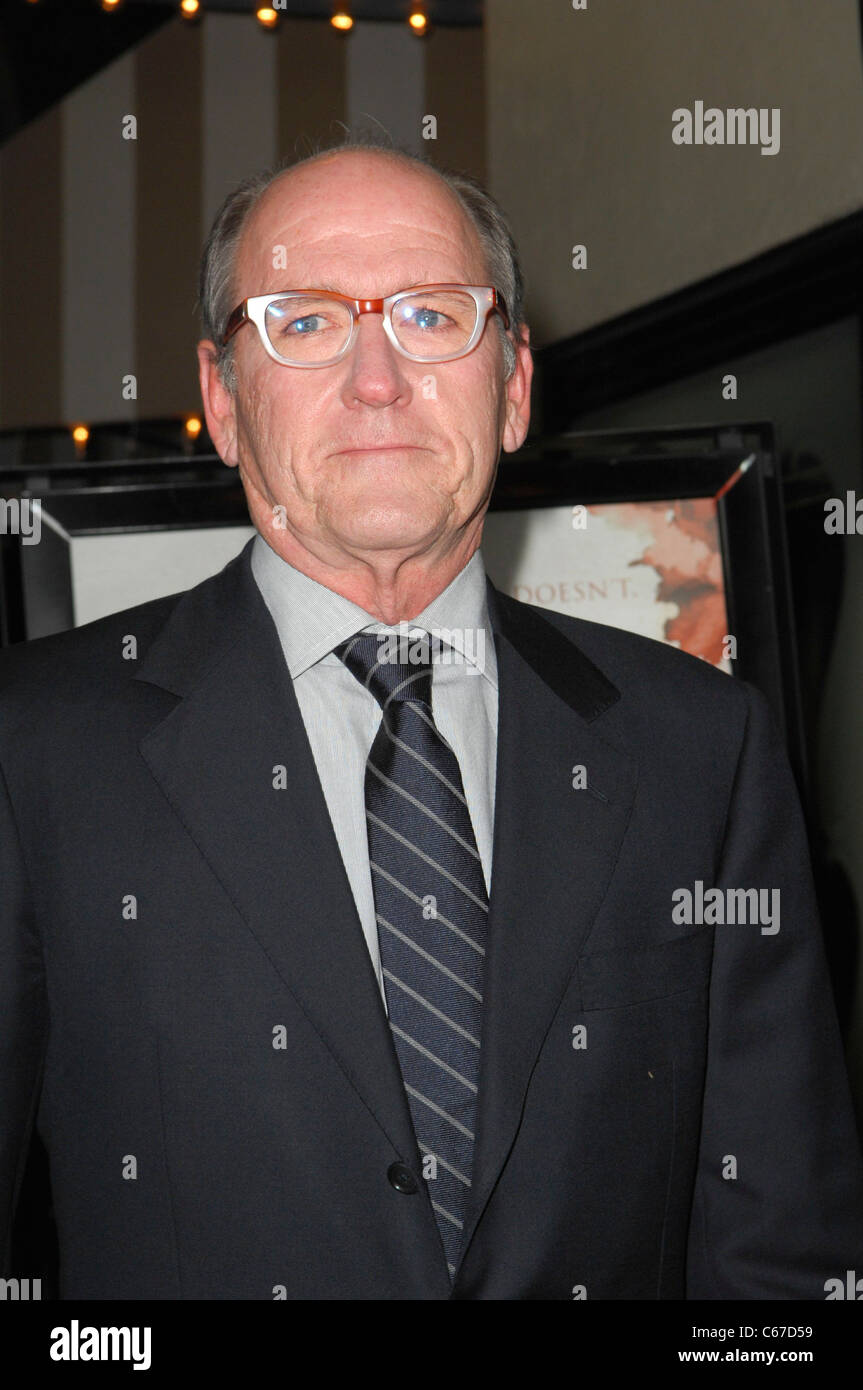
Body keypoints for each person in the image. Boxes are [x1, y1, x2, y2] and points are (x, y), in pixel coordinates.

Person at [1, 136, 862, 1300]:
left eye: (431, 316)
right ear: (220, 400)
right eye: (303, 321)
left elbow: (779, 1252)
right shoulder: (36, 746)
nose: (375, 379)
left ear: (510, 388)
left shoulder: (701, 745)